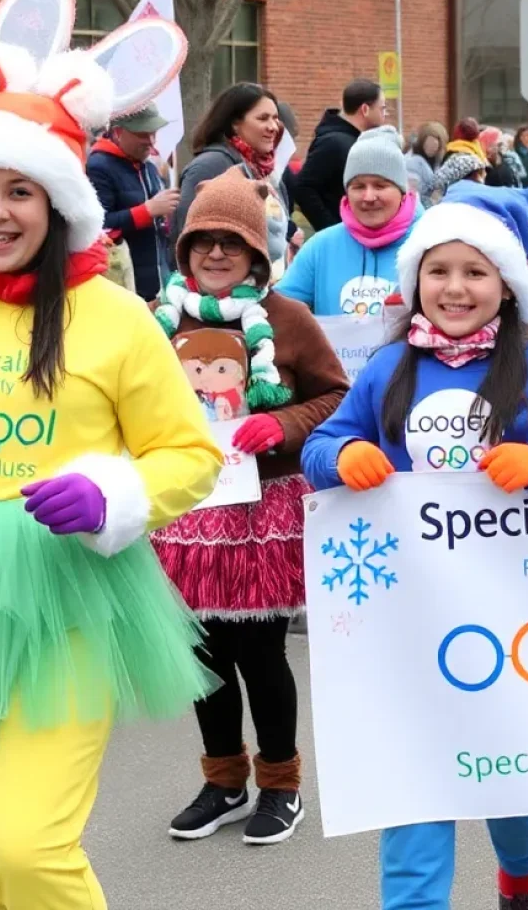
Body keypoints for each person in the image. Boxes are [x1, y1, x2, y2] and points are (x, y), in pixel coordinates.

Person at [0, 0, 222, 910]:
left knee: (26, 852)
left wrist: (110, 497)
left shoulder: (114, 317)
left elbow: (189, 454)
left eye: (19, 191)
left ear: (56, 204)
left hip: (66, 605)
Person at [301, 183, 528, 910]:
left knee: (515, 788)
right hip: (405, 620)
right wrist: (341, 456)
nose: (455, 289)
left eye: (475, 272)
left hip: (515, 622)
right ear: (415, 281)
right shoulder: (388, 368)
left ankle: (524, 879)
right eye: (438, 271)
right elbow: (324, 444)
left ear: (506, 286)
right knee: (412, 788)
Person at [150, 169, 347, 844]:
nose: (213, 254)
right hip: (187, 509)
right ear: (184, 250)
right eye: (201, 241)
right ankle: (223, 780)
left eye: (230, 244)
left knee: (262, 654)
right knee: (202, 653)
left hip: (262, 510)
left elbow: (334, 396)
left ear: (257, 254)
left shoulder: (287, 318)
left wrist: (282, 426)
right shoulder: (160, 316)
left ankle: (281, 784)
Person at [277, 126, 421, 313]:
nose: (368, 197)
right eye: (358, 186)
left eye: (380, 185)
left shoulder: (428, 242)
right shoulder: (321, 247)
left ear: (402, 191)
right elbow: (280, 312)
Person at [174, 83, 289, 267]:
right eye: (263, 118)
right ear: (235, 124)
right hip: (224, 289)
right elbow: (186, 235)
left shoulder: (267, 173)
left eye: (275, 118)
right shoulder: (211, 166)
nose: (273, 127)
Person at [86, 102, 177, 299]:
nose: (151, 141)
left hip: (158, 279)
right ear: (118, 132)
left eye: (154, 133)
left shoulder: (149, 167)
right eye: (143, 134)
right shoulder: (97, 167)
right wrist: (147, 211)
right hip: (124, 286)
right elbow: (98, 227)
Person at [291, 79, 385, 231]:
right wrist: (331, 228)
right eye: (382, 109)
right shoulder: (334, 143)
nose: (384, 115)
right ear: (365, 110)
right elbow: (303, 187)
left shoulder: (352, 140)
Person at [405, 121, 448, 198]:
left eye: (435, 146)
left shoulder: (438, 161)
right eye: (429, 144)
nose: (432, 148)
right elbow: (412, 195)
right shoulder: (412, 162)